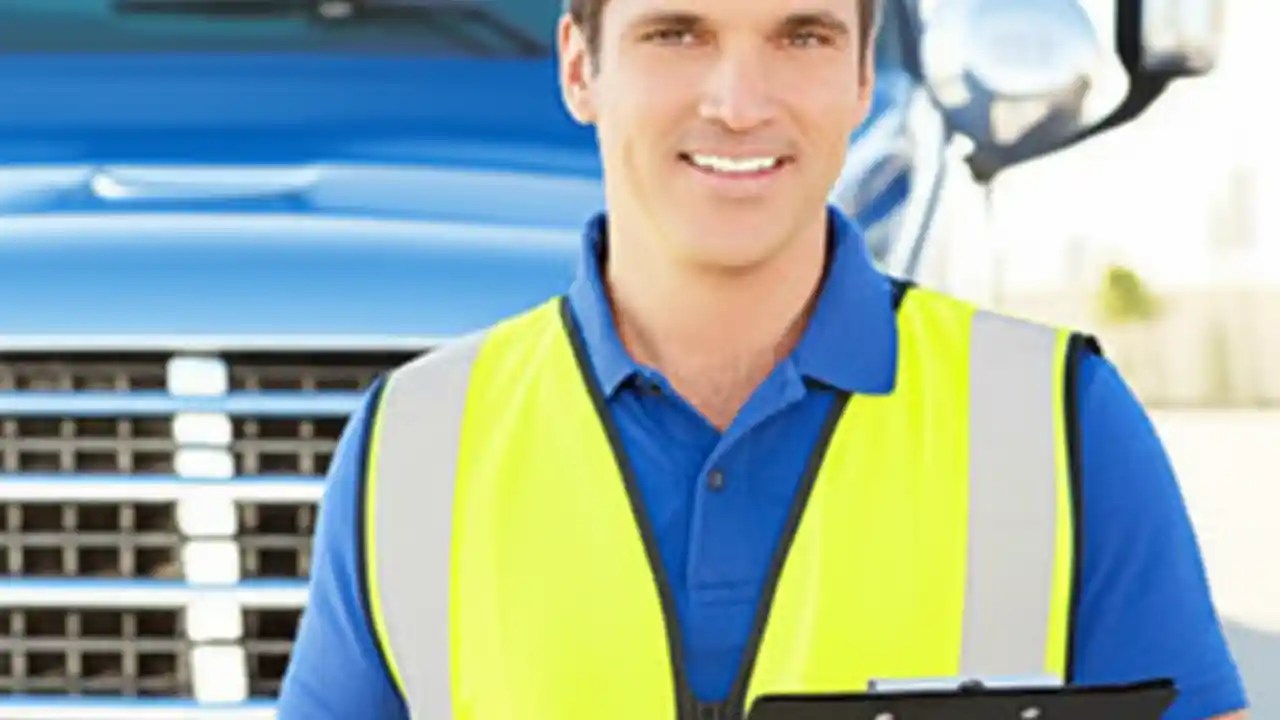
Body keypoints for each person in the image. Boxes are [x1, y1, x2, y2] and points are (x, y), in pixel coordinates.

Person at [276, 0, 1251, 718]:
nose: (738, 102)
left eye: (801, 35)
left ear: (862, 74)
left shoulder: (1059, 425)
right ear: (579, 67)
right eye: (676, 32)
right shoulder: (411, 444)